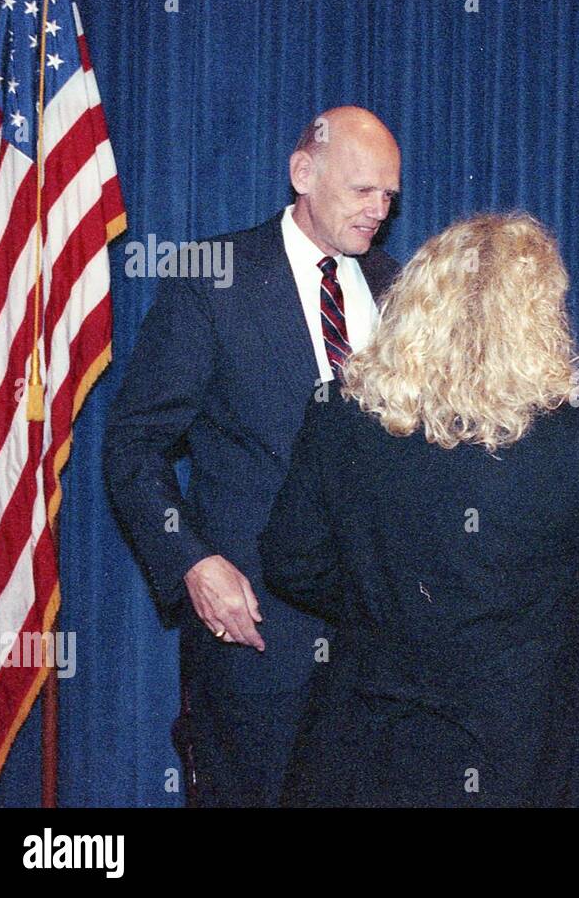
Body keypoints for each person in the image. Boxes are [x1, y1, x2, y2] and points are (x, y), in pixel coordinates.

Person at [258, 212, 579, 807]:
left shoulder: (341, 421)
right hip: (509, 761)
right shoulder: (572, 444)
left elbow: (290, 561)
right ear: (536, 321)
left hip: (362, 753)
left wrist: (395, 608)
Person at [102, 106, 402, 806]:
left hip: (380, 645)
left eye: (389, 194)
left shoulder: (402, 288)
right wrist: (193, 562)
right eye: (363, 190)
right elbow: (133, 444)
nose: (380, 210)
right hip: (258, 639)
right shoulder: (214, 280)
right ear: (304, 173)